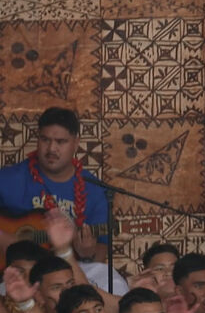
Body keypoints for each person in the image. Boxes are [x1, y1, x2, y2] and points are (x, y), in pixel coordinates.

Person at [0, 107, 128, 295]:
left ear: (75, 143)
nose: (51, 149)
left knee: (113, 284)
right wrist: (8, 241)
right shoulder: (9, 178)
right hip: (17, 274)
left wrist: (87, 255)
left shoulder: (95, 189)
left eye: (61, 141)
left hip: (68, 273)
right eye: (45, 140)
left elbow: (100, 250)